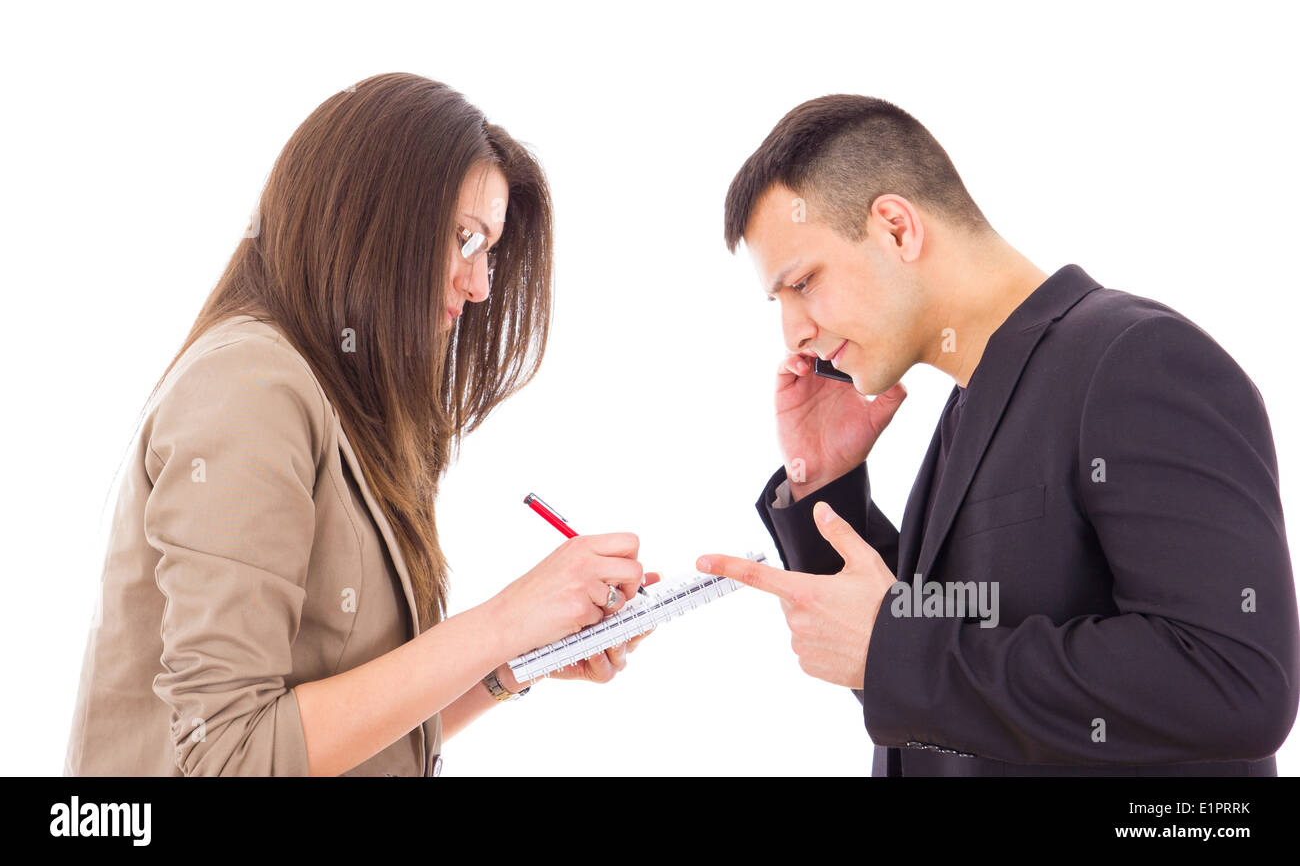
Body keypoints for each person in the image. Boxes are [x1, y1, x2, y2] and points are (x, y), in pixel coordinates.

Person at [65, 73, 653, 777]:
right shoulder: (250, 387)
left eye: (489, 251)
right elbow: (232, 756)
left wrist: (510, 662)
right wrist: (504, 619)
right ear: (368, 219)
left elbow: (336, 739)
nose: (480, 285)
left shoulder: (330, 397)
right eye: (464, 239)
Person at [698, 94, 1299, 775]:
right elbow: (941, 665)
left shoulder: (1134, 360)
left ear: (897, 228)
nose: (793, 332)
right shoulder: (971, 401)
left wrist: (897, 650)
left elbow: (1234, 682)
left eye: (803, 281)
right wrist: (827, 481)